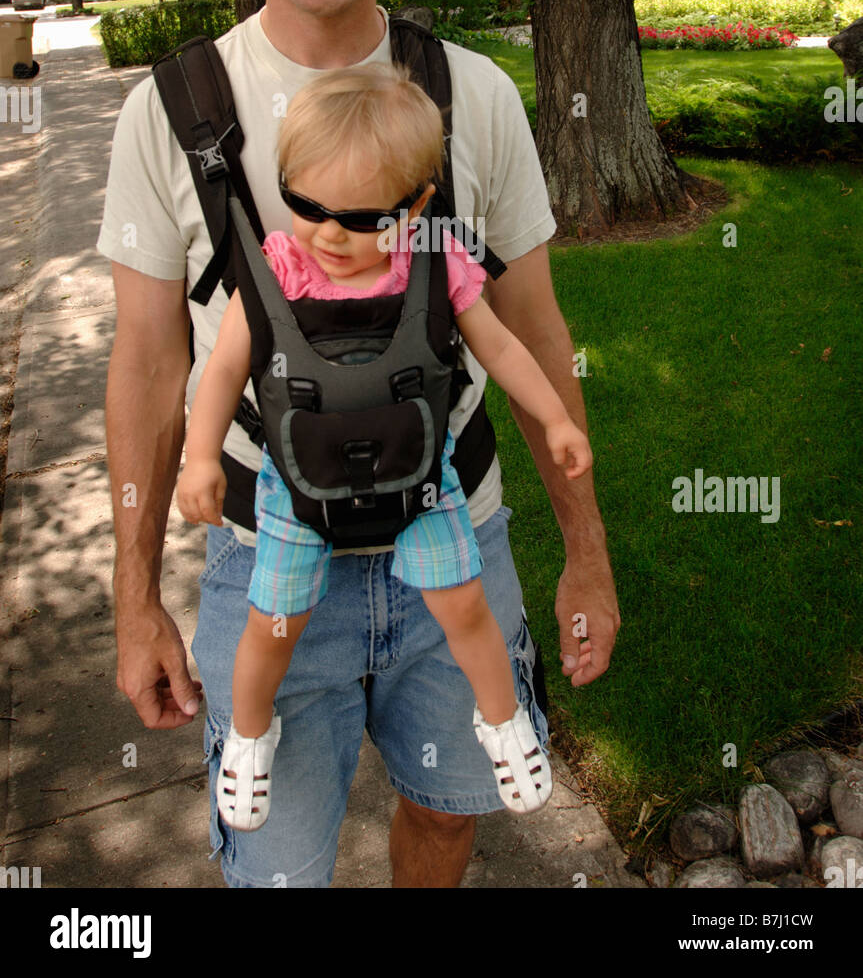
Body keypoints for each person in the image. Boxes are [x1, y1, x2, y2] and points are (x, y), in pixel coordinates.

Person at [98, 0, 620, 888]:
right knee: (277, 870)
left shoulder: (471, 97)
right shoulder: (172, 112)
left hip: (454, 542)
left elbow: (530, 333)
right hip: (266, 556)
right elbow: (145, 366)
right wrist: (135, 600)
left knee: (446, 814)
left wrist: (585, 550)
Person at [175, 63, 593, 830]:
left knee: (466, 606)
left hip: (420, 484)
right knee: (273, 622)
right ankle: (247, 734)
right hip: (296, 492)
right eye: (308, 205)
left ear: (418, 205)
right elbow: (222, 368)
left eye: (366, 218)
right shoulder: (276, 271)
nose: (333, 233)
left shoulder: (439, 265)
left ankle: (503, 725)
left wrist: (558, 419)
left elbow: (501, 350)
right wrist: (200, 457)